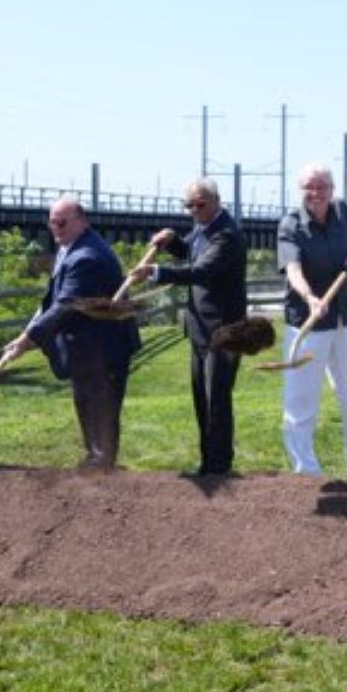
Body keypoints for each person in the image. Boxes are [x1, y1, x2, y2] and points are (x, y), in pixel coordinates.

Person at [4, 198, 140, 472]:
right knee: (87, 405)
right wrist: (26, 334)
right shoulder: (72, 248)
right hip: (88, 348)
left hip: (104, 349)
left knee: (101, 410)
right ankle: (96, 459)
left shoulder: (86, 257)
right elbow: (52, 302)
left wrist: (26, 343)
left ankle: (102, 467)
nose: (57, 227)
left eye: (63, 222)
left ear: (82, 221)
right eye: (52, 222)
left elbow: (65, 306)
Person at [129, 178, 247, 477]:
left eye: (200, 204)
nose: (194, 210)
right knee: (202, 399)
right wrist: (172, 242)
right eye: (189, 205)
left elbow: (202, 271)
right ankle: (209, 462)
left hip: (224, 331)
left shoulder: (227, 235)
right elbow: (190, 254)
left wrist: (156, 272)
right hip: (200, 330)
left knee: (217, 399)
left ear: (217, 201)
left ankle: (219, 465)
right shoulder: (203, 229)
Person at [276, 163, 347, 481]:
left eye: (322, 186)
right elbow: (293, 268)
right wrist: (310, 297)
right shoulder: (291, 224)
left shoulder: (342, 212)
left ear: (332, 189)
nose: (316, 192)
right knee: (302, 399)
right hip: (307, 324)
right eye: (309, 186)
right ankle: (306, 469)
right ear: (301, 191)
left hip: (342, 318)